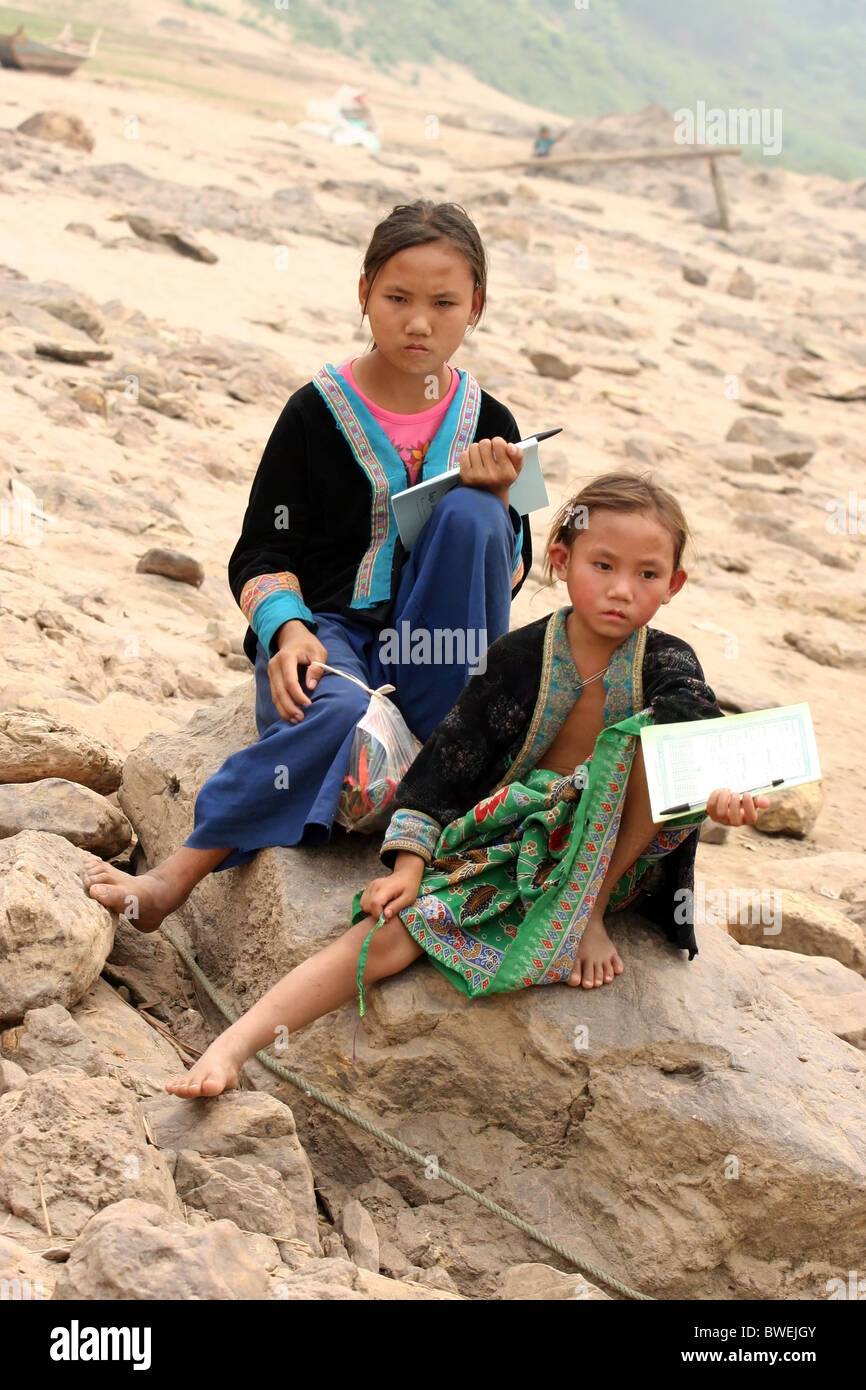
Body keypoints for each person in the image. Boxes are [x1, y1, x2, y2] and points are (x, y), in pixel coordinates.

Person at [164, 472, 770, 1099]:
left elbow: (695, 725)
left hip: (619, 849)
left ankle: (587, 911)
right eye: (603, 565)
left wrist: (722, 789)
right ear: (561, 561)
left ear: (674, 585)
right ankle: (234, 1046)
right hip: (520, 840)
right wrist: (407, 865)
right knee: (401, 930)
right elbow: (448, 762)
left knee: (654, 742)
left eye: (647, 575)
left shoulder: (669, 660)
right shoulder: (519, 656)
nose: (622, 590)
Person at [82, 200, 531, 931]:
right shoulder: (314, 414)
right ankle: (179, 874)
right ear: (363, 295)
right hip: (333, 634)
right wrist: (289, 631)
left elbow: (509, 578)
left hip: (446, 657)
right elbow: (263, 549)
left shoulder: (494, 424)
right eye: (397, 298)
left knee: (477, 511)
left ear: (475, 307)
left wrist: (504, 505)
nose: (419, 322)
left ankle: (441, 753)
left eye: (444, 303)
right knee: (339, 711)